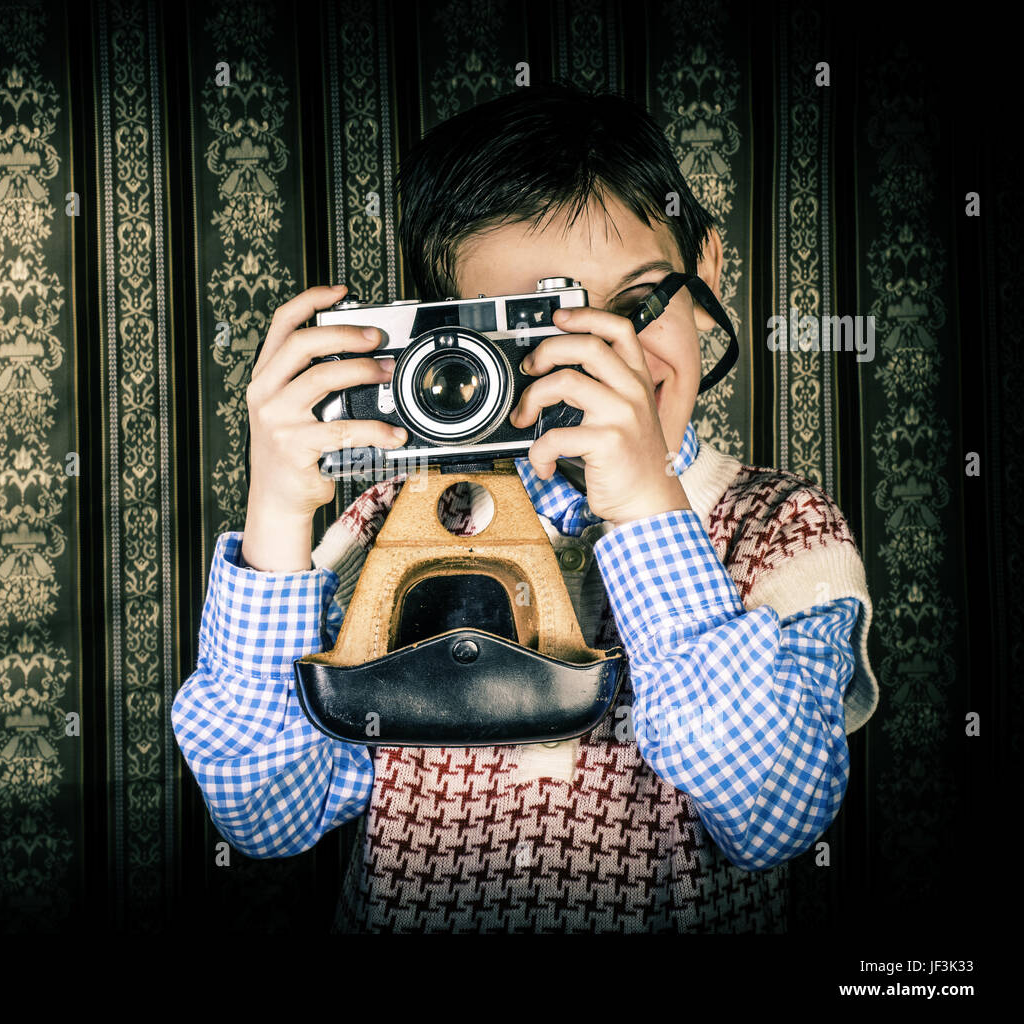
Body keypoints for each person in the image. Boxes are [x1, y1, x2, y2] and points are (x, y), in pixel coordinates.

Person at [172, 84, 877, 932]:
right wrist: (279, 520)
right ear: (456, 333)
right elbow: (269, 816)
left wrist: (650, 512)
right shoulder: (396, 525)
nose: (603, 361)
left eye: (639, 302)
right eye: (543, 333)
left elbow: (777, 816)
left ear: (708, 269)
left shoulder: (783, 527)